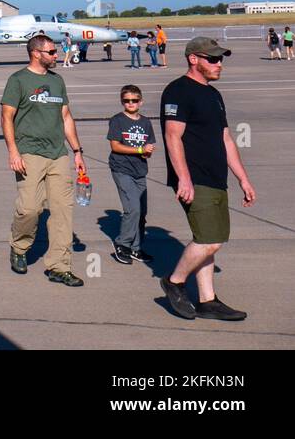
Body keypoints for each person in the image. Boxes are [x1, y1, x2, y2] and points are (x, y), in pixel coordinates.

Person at [158, 37, 256, 322]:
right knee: (210, 240)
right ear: (194, 59)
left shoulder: (213, 94)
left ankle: (207, 301)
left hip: (216, 177)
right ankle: (174, 282)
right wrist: (184, 179)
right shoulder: (178, 91)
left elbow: (225, 138)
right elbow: (172, 136)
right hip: (195, 178)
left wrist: (243, 179)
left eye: (220, 59)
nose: (219, 64)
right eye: (212, 59)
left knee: (208, 240)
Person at [1, 34, 87, 286]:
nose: (56, 55)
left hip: (57, 154)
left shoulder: (57, 81)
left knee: (62, 211)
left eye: (56, 51)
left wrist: (78, 151)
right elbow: (6, 117)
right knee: (30, 208)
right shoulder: (18, 80)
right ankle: (19, 247)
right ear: (36, 53)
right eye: (51, 52)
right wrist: (13, 151)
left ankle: (59, 267)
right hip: (28, 151)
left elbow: (66, 116)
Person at [107, 84, 156, 264]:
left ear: (140, 102)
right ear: (122, 102)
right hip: (121, 169)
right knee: (132, 208)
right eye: (126, 101)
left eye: (134, 101)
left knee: (142, 211)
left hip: (140, 170)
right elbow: (115, 145)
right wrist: (139, 149)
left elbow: (148, 147)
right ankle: (123, 244)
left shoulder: (145, 122)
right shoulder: (117, 120)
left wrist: (146, 152)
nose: (130, 104)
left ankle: (136, 247)